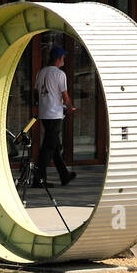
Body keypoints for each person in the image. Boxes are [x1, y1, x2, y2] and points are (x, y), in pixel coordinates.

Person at [33, 45, 77, 189]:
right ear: (58, 58)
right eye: (63, 57)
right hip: (54, 114)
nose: (64, 59)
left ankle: (64, 175)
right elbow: (64, 95)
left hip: (44, 113)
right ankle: (38, 179)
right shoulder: (59, 74)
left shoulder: (41, 72)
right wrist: (69, 107)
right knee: (48, 147)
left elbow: (36, 93)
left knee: (54, 146)